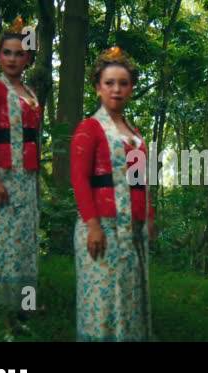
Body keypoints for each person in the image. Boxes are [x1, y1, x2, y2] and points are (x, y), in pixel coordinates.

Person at [70, 47, 155, 342]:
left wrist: (149, 218)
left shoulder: (136, 135)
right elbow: (79, 180)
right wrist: (93, 226)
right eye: (109, 83)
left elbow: (141, 181)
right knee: (103, 300)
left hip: (131, 231)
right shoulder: (89, 128)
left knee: (129, 297)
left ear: (131, 87)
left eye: (123, 83)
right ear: (98, 87)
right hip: (102, 229)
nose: (116, 90)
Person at [0, 17, 41, 338]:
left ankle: (25, 308)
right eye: (7, 53)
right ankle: (1, 312)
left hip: (27, 180)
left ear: (28, 58)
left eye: (19, 53)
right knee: (2, 244)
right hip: (0, 176)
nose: (13, 59)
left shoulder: (30, 93)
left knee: (25, 244)